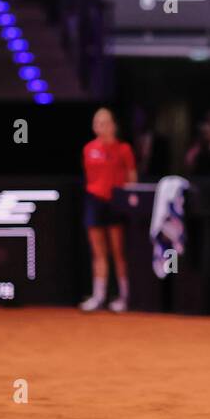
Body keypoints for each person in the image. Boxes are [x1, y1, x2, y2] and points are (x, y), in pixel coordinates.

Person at [81, 107, 137, 312]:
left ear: (113, 126)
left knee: (118, 252)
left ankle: (125, 296)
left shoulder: (124, 150)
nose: (100, 126)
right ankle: (99, 296)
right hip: (95, 202)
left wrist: (130, 197)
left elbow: (131, 176)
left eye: (104, 122)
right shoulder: (88, 149)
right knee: (98, 252)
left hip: (116, 202)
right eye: (97, 123)